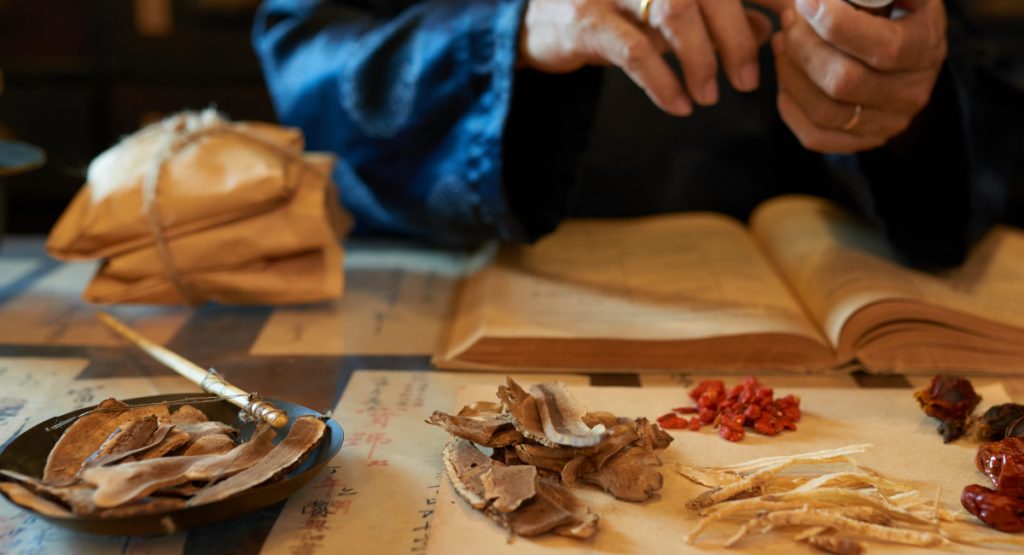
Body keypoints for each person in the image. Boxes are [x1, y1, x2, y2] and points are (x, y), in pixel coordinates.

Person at [252, 0, 1022, 268]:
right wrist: (514, 29)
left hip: (796, 275)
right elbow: (306, 52)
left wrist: (896, 88)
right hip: (450, 279)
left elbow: (961, 62)